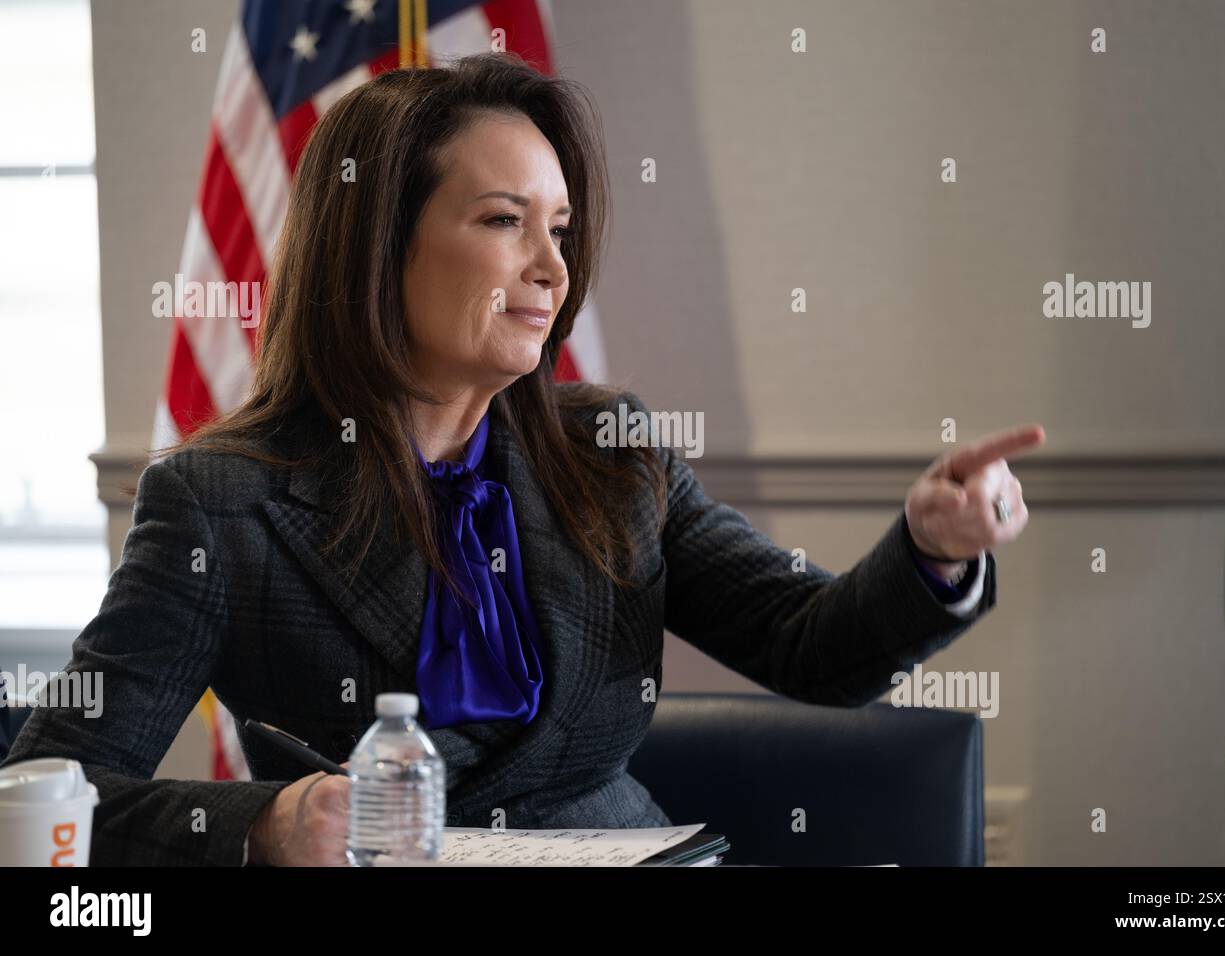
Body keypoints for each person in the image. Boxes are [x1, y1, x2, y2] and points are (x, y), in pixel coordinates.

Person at [0, 53, 1043, 866]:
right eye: (505, 223)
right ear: (378, 244)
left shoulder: (612, 449)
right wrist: (264, 825)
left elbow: (811, 644)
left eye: (561, 227)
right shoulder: (221, 502)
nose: (554, 268)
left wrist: (930, 551)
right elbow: (49, 783)